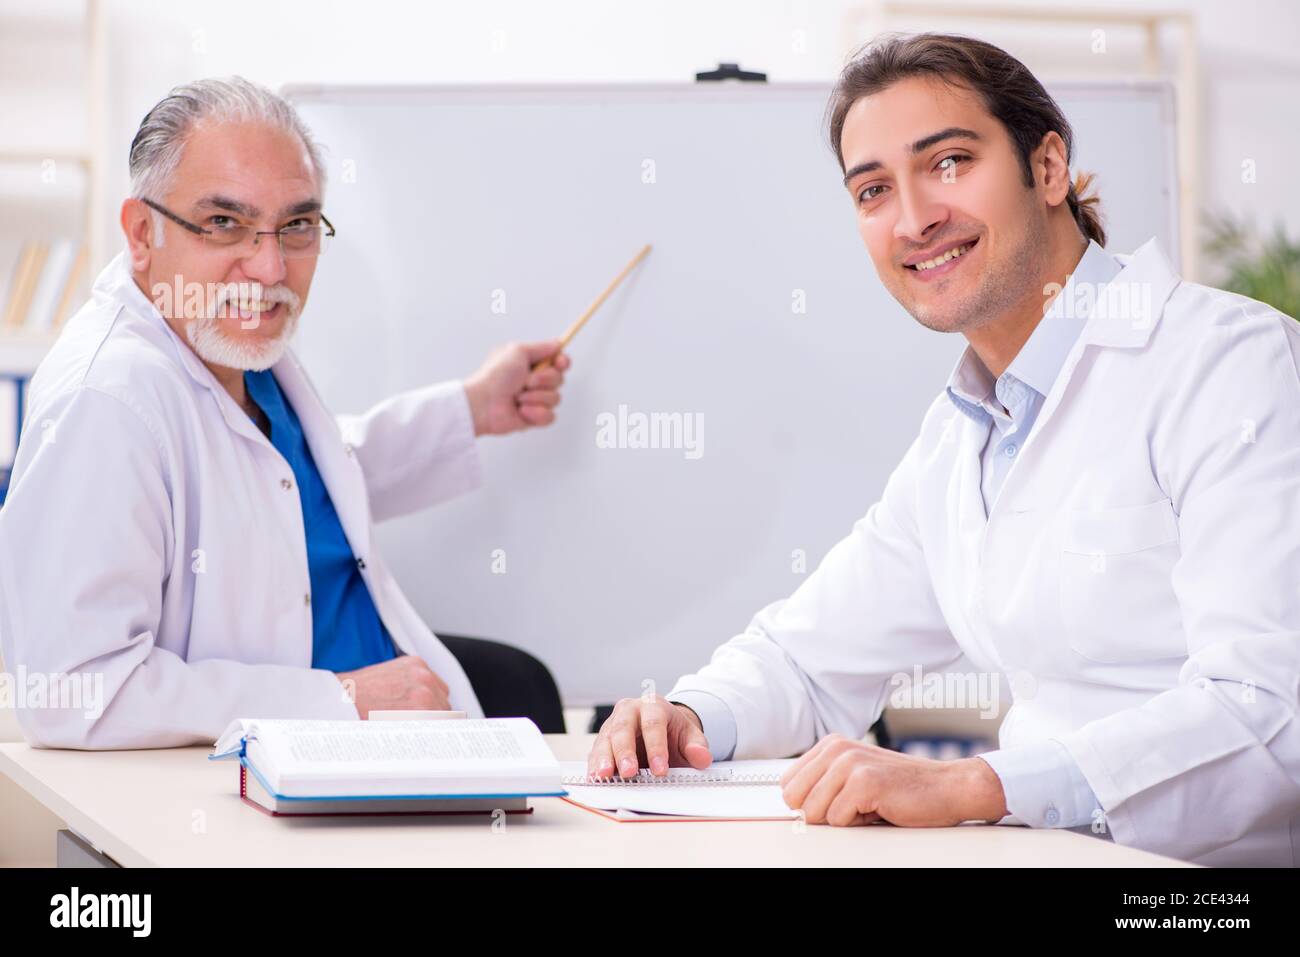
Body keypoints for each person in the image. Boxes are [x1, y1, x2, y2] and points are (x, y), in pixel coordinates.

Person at [588, 33, 1300, 866]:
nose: (915, 218)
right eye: (873, 190)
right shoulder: (965, 429)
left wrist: (977, 785)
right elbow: (811, 660)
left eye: (950, 162)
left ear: (1048, 168)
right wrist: (688, 718)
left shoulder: (1229, 364)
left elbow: (1270, 709)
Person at [0, 77, 570, 749]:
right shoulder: (106, 400)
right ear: (142, 232)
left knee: (527, 693)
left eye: (297, 226)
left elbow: (294, 482)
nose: (270, 268)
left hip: (393, 705)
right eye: (224, 223)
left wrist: (472, 408)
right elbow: (70, 689)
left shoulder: (231, 347)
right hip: (315, 751)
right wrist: (340, 699)